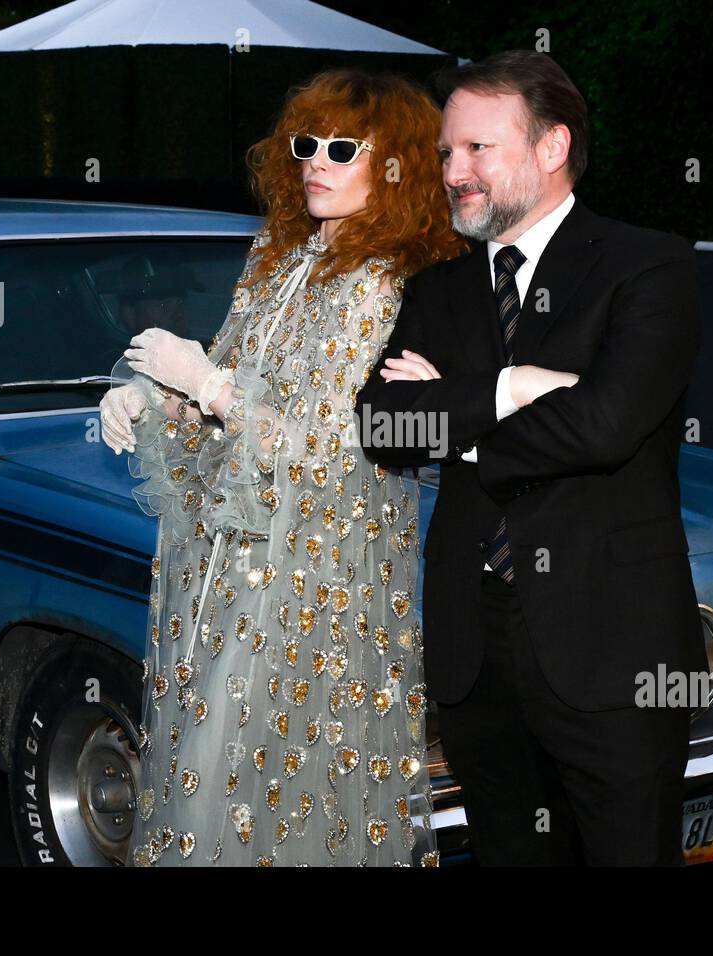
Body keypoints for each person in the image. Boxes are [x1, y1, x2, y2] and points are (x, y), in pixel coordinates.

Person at [99, 69, 468, 867]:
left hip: (313, 588)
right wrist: (154, 400)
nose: (317, 162)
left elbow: (330, 447)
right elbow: (229, 424)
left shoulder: (382, 284)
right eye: (307, 144)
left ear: (395, 166)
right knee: (207, 782)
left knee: (284, 794)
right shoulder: (280, 261)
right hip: (228, 575)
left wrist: (206, 382)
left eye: (344, 148)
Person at [354, 50, 708, 866]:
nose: (454, 171)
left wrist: (458, 409)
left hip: (614, 649)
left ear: (552, 148)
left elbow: (605, 424)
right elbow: (383, 427)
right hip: (473, 650)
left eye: (479, 149)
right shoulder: (435, 287)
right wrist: (511, 386)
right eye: (448, 152)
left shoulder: (647, 265)